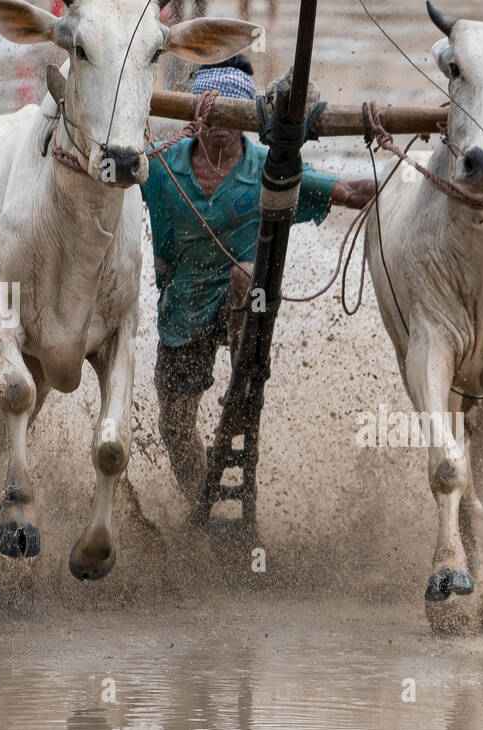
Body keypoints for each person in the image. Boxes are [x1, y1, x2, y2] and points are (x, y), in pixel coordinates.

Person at [140, 58, 376, 513]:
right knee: (174, 428)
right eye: (213, 118)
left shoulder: (270, 169)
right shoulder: (163, 169)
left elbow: (348, 191)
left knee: (245, 275)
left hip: (242, 306)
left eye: (232, 119)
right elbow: (107, 177)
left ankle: (241, 380)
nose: (220, 130)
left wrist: (415, 181)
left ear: (246, 120)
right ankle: (199, 503)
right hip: (180, 312)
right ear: (198, 116)